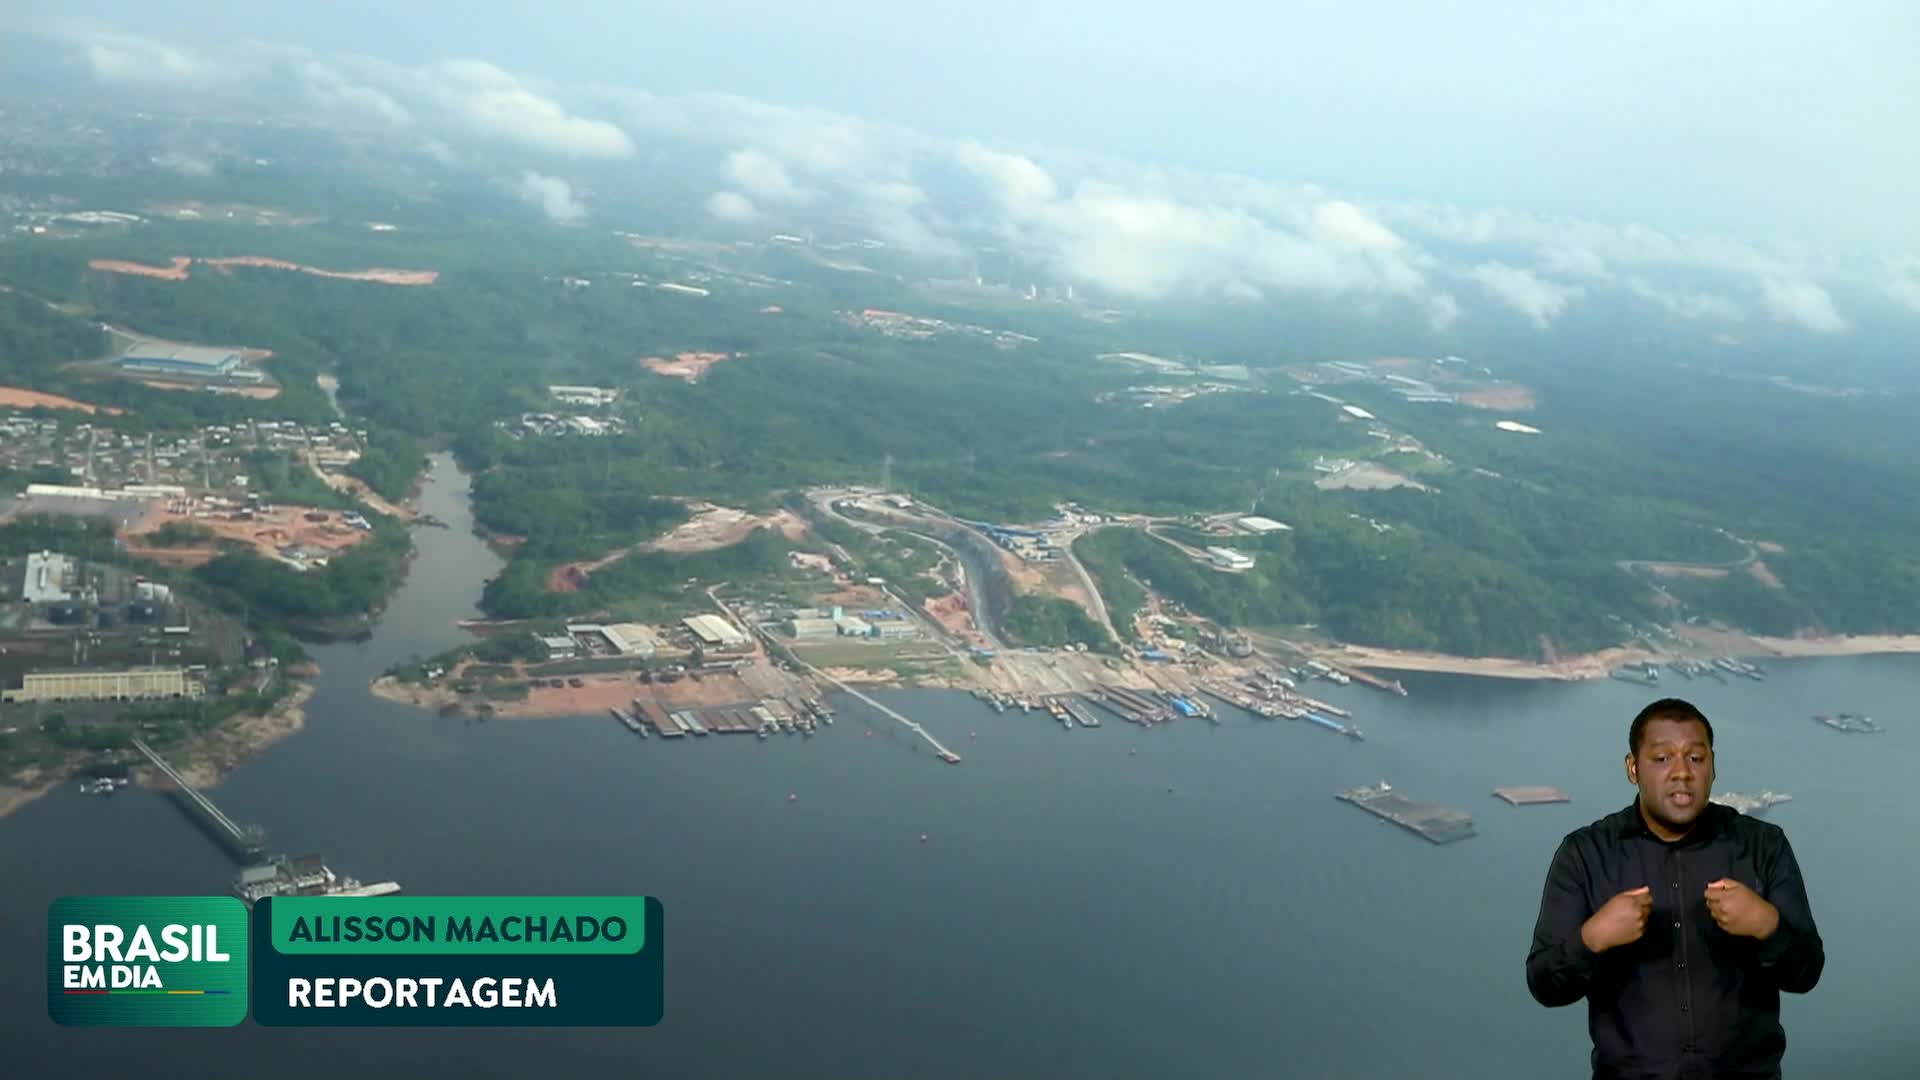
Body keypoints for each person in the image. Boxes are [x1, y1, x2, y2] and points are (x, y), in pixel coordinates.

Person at [1526, 697, 1825, 1079]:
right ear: (1633, 768)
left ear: (1713, 766)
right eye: (1662, 758)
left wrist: (1767, 926)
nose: (1681, 772)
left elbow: (1807, 973)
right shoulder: (1584, 854)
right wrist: (1592, 939)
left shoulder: (1764, 846)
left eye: (1696, 759)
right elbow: (1544, 985)